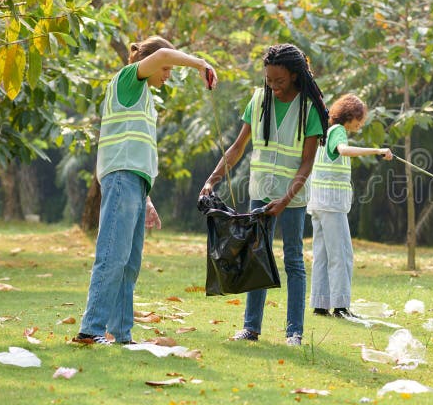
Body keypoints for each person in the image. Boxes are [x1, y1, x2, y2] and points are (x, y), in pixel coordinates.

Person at [74, 36, 218, 346]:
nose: (167, 73)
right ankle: (90, 330)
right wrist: (201, 64)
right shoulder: (127, 79)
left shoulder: (143, 97)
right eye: (165, 68)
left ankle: (121, 334)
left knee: (129, 262)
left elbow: (135, 151)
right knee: (112, 254)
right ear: (148, 62)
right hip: (121, 178)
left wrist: (147, 198)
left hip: (134, 183)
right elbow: (165, 52)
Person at [200, 43, 328, 346]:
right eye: (269, 80)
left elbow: (307, 162)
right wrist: (212, 180)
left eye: (279, 81)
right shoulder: (259, 100)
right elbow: (237, 148)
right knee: (256, 257)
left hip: (291, 198)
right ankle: (250, 327)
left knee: (294, 260)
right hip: (259, 192)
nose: (273, 86)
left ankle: (294, 332)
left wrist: (285, 200)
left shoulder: (310, 108)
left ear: (296, 76)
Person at [307, 94, 393, 318]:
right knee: (342, 255)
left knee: (323, 255)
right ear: (351, 115)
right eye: (360, 118)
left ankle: (320, 304)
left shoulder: (325, 132)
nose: (361, 123)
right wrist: (378, 151)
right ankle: (341, 307)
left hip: (318, 203)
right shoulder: (337, 131)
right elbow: (343, 150)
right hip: (331, 205)